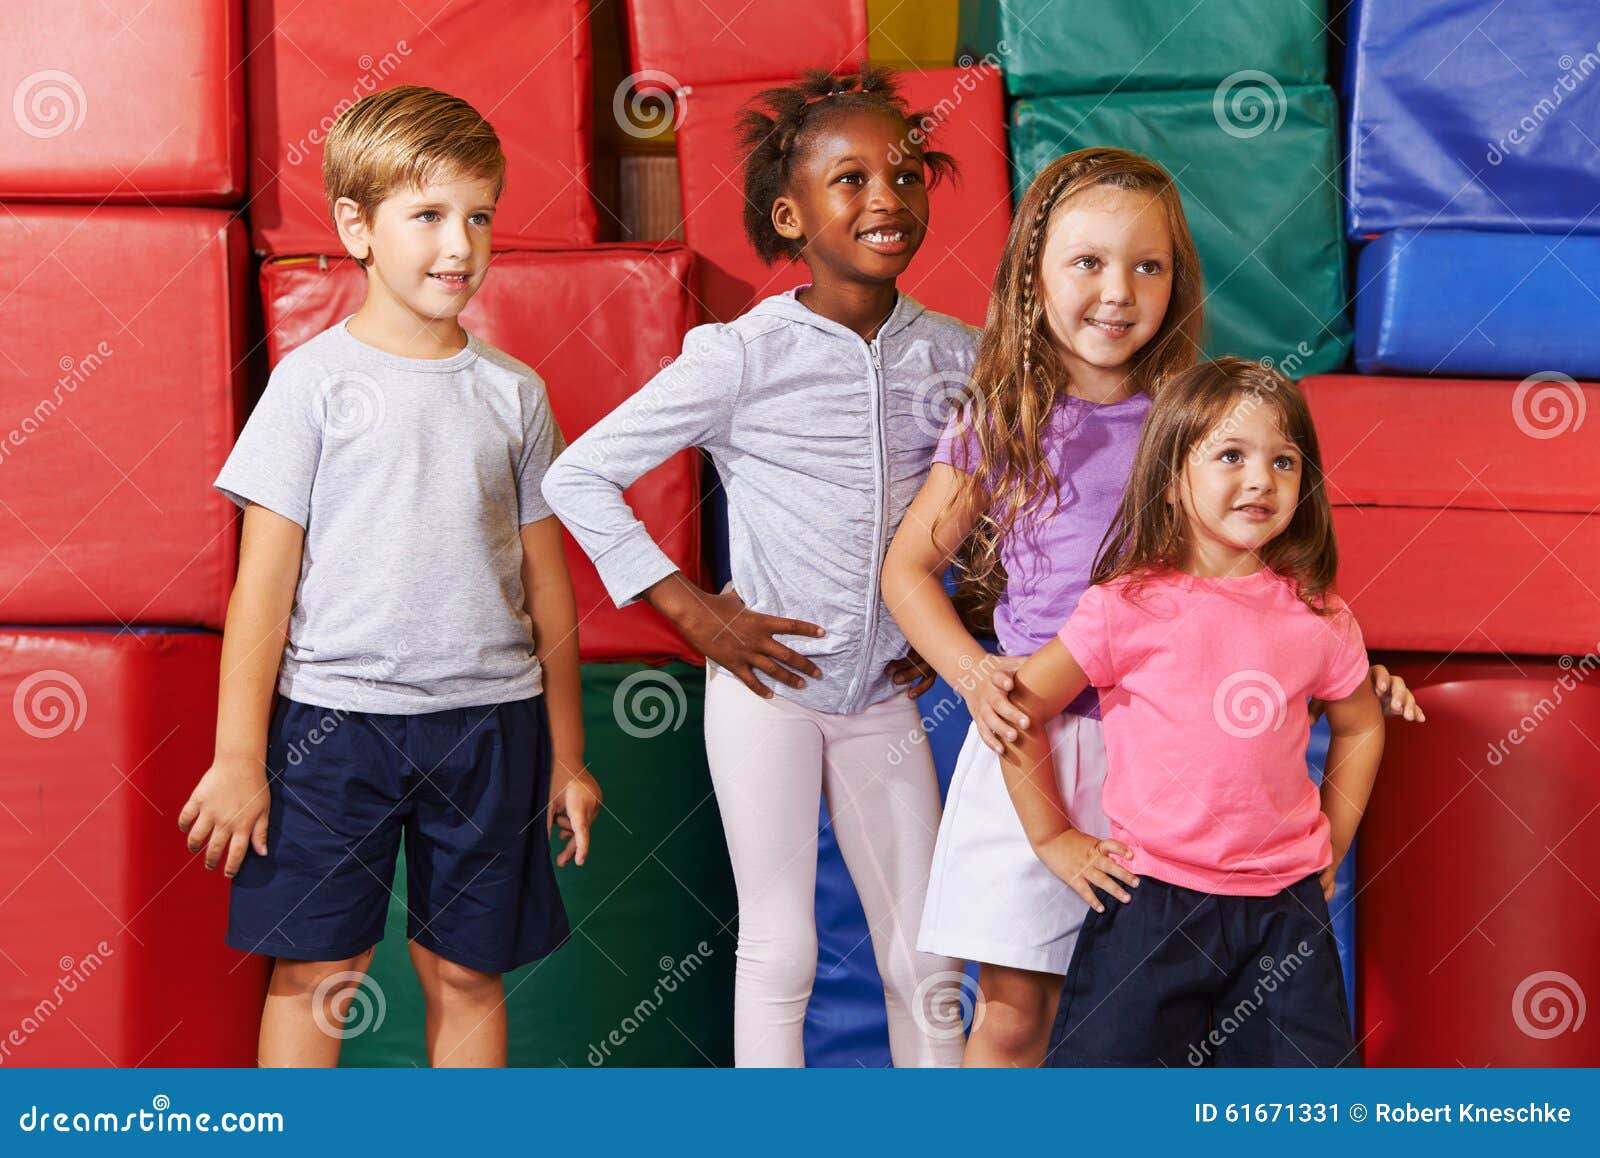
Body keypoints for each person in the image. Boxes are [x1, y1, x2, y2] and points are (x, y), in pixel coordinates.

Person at [883, 148, 1420, 1066]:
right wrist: (978, 679)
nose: (1118, 291)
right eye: (1087, 262)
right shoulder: (1004, 418)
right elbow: (906, 571)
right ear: (1032, 274)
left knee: (1130, 1025)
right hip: (1042, 738)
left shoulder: (1194, 418)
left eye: (1148, 265)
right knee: (1016, 1009)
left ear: (1177, 279)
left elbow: (1261, 584)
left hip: (1170, 743)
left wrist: (1349, 670)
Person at [542, 66, 970, 1067]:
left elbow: (992, 499)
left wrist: (953, 621)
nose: (885, 199)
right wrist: (694, 614)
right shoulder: (741, 354)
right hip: (764, 688)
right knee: (782, 951)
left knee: (928, 960)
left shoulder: (956, 355)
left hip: (881, 696)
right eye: (850, 180)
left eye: (903, 176)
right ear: (791, 213)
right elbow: (578, 475)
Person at [178, 85, 600, 1067]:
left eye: (479, 215)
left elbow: (549, 590)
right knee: (317, 972)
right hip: (333, 726)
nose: (460, 244)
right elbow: (262, 590)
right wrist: (241, 759)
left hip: (491, 729)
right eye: (429, 216)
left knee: (464, 973)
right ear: (356, 228)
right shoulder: (311, 387)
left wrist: (569, 755)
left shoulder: (514, 394)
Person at [1003, 357, 1384, 1067]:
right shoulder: (1126, 607)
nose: (1260, 479)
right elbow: (1019, 709)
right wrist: (1053, 836)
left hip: (1284, 912)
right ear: (1175, 478)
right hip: (1152, 902)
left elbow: (1361, 722)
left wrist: (1334, 834)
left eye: (1284, 461)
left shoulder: (1320, 615)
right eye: (1231, 455)